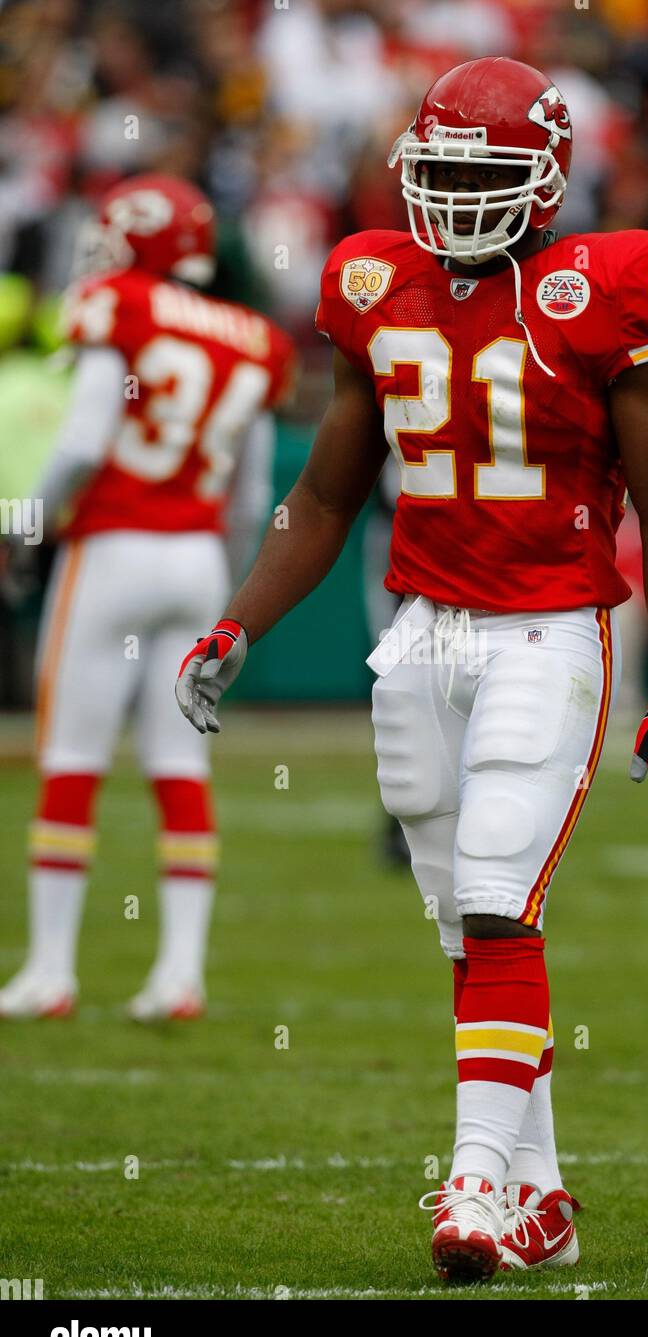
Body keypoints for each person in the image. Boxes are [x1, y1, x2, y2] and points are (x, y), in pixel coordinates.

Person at [176, 57, 648, 1281]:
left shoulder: (607, 288)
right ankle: (543, 1197)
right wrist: (237, 622)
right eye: (443, 168)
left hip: (546, 627)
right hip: (417, 633)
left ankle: (470, 1186)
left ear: (546, 181)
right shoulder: (379, 282)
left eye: (486, 170)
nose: (460, 191)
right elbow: (320, 494)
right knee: (467, 937)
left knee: (493, 898)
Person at [0, 174, 294, 1022]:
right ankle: (180, 975)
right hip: (199, 559)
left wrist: (23, 527)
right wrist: (232, 588)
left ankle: (51, 971)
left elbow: (86, 440)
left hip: (114, 548)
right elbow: (253, 495)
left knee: (70, 763)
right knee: (179, 765)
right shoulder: (253, 337)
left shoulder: (116, 305)